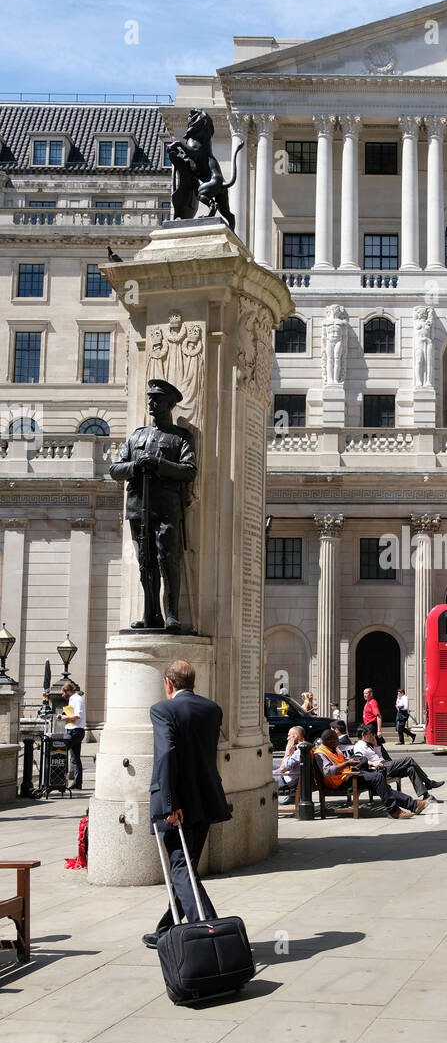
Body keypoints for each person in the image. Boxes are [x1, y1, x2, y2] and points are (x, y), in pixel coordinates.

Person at [143, 659, 231, 948]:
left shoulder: (162, 710)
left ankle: (208, 929)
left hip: (177, 803)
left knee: (181, 867)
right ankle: (166, 929)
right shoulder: (211, 709)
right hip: (205, 799)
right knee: (187, 867)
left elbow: (167, 753)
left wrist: (168, 804)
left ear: (168, 683)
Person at [109, 378, 196, 632]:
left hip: (167, 507)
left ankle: (171, 614)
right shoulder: (137, 436)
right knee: (145, 563)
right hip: (138, 507)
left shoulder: (180, 438)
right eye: (150, 398)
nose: (151, 402)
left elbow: (189, 471)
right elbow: (115, 468)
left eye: (157, 399)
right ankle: (150, 614)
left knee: (168, 560)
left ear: (170, 404)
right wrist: (136, 466)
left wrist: (159, 464)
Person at [312, 728, 430, 819]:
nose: (338, 742)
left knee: (381, 786)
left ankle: (413, 805)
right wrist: (347, 763)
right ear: (327, 740)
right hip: (339, 782)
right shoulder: (320, 753)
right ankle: (394, 810)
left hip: (347, 775)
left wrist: (351, 764)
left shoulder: (333, 749)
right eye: (335, 740)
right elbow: (327, 771)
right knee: (378, 777)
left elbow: (342, 763)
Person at [353, 724, 444, 800]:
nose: (372, 736)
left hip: (384, 765)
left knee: (410, 768)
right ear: (363, 735)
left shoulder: (369, 745)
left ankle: (426, 795)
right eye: (370, 734)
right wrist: (372, 763)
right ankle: (428, 782)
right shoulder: (359, 745)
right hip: (380, 768)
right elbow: (358, 760)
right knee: (409, 759)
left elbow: (378, 757)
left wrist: (376, 745)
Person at [59, 680, 86, 791]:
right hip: (72, 730)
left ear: (68, 691)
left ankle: (60, 781)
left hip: (76, 731)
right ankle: (77, 783)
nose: (62, 695)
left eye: (62, 693)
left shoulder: (78, 699)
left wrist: (64, 718)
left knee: (60, 751)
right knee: (75, 759)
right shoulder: (72, 699)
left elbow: (77, 716)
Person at [276, 724, 305, 804]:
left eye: (289, 736)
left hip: (286, 781)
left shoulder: (300, 751)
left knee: (259, 779)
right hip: (288, 776)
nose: (287, 738)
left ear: (295, 736)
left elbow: (282, 769)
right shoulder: (302, 747)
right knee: (268, 765)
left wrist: (287, 751)